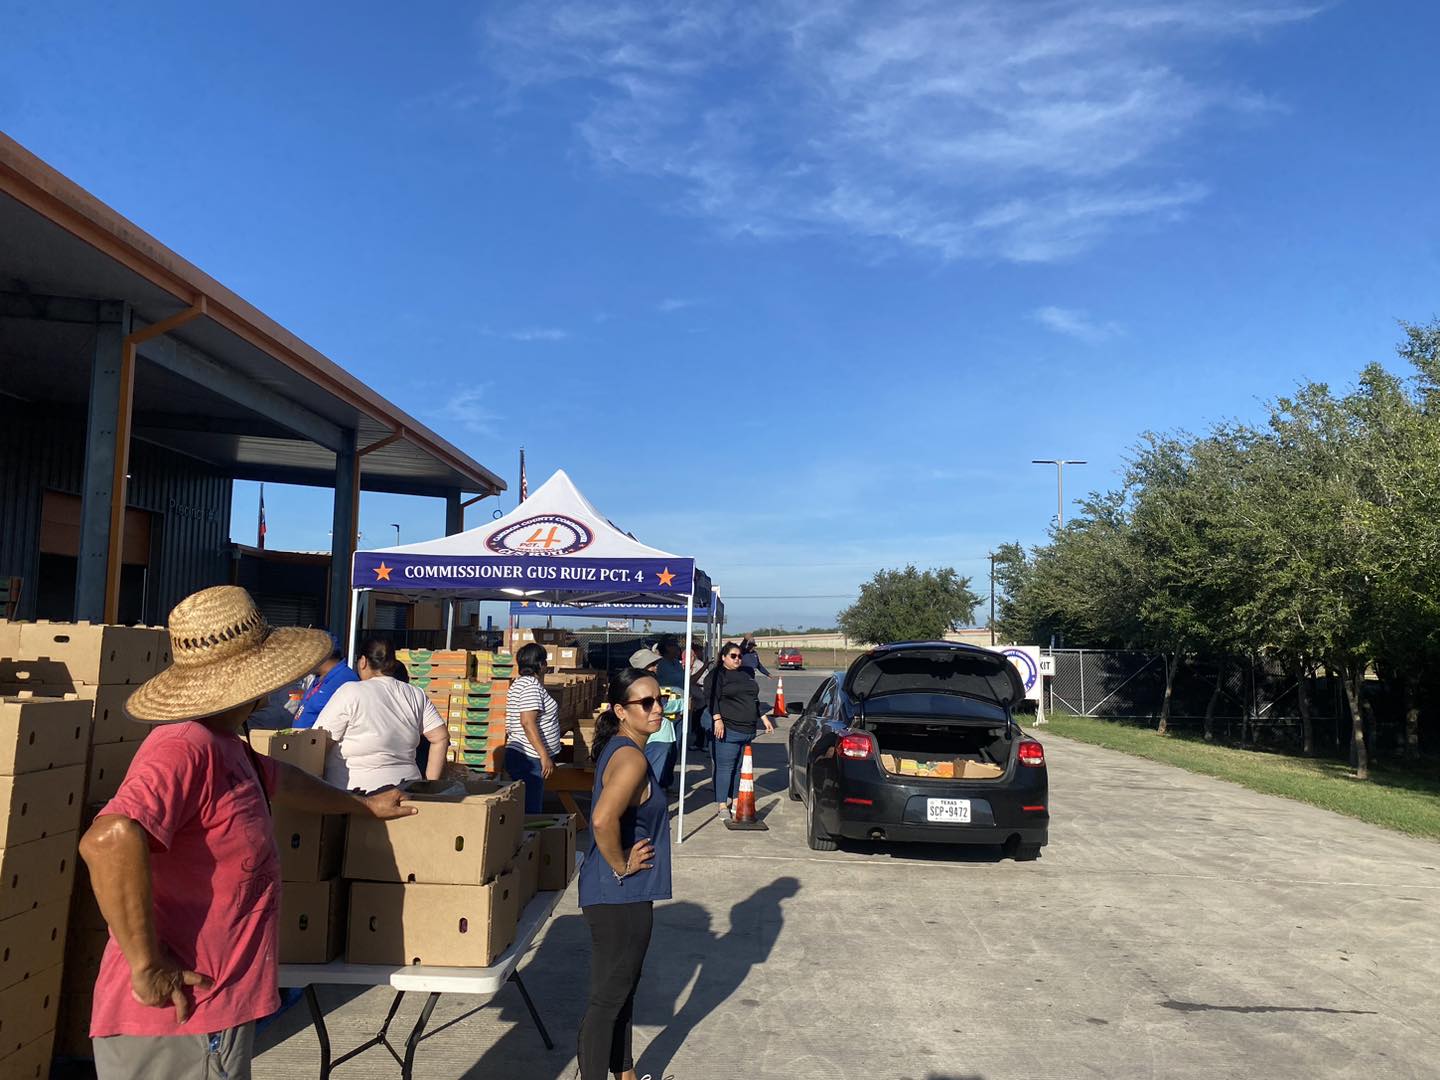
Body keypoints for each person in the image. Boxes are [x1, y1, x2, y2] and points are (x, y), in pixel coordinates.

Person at [79, 586, 416, 1080]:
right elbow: (108, 839)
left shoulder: (225, 745)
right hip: (179, 1019)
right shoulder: (183, 745)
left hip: (211, 1010)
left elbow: (282, 780)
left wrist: (362, 806)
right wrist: (148, 964)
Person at [576, 666, 672, 1080]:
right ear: (620, 710)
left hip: (620, 894)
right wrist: (621, 864)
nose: (657, 710)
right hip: (619, 896)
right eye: (645, 703)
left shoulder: (622, 747)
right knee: (608, 999)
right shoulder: (631, 758)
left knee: (622, 991)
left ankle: (625, 1072)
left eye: (660, 700)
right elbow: (600, 820)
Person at [313, 637, 449, 793]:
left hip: (357, 796)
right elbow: (440, 737)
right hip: (408, 791)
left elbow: (320, 741)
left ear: (363, 661)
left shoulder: (351, 692)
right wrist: (430, 783)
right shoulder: (415, 694)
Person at [708, 641, 774, 817]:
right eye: (733, 656)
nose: (737, 659)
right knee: (725, 767)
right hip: (728, 728)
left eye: (739, 656)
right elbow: (711, 698)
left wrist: (764, 717)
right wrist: (717, 719)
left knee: (739, 768)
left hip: (747, 730)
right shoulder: (717, 675)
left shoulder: (746, 674)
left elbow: (753, 698)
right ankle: (722, 804)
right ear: (723, 657)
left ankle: (736, 800)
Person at [505, 642, 563, 813]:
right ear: (540, 664)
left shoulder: (522, 683)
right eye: (545, 662)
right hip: (529, 757)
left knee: (524, 808)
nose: (547, 666)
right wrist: (544, 755)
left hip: (526, 755)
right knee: (530, 811)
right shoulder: (530, 686)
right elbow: (527, 722)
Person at [630, 647, 678, 792]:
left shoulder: (643, 682)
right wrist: (681, 704)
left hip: (660, 734)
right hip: (657, 735)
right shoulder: (644, 685)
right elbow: (660, 706)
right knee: (652, 774)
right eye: (652, 664)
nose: (656, 667)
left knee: (659, 769)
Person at [292, 645, 358, 729]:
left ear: (320, 655)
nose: (305, 661)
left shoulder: (346, 680)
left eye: (307, 656)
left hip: (322, 740)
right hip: (303, 739)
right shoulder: (319, 677)